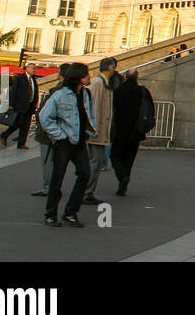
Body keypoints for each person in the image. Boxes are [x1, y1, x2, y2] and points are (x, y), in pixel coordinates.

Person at [38, 62, 95, 228]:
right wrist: (59, 135)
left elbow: (88, 114)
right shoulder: (61, 94)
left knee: (85, 174)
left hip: (79, 141)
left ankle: (71, 212)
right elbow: (44, 116)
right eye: (86, 74)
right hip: (64, 142)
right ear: (78, 77)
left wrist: (89, 130)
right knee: (57, 178)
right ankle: (50, 214)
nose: (89, 77)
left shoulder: (85, 94)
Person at [31, 63, 71, 199]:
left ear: (60, 75)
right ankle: (53, 186)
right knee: (57, 162)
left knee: (48, 161)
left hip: (50, 132)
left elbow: (44, 112)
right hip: (63, 132)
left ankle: (48, 187)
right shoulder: (72, 91)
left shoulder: (57, 91)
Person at [83, 57, 119, 205]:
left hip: (99, 129)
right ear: (110, 68)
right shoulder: (98, 83)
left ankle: (88, 191)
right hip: (97, 130)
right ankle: (86, 192)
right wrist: (94, 127)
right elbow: (92, 106)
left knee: (96, 162)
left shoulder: (102, 83)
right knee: (95, 161)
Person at [110, 69, 147, 195]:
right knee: (129, 159)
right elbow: (149, 110)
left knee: (115, 155)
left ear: (125, 77)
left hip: (120, 129)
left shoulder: (118, 91)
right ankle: (124, 182)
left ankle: (122, 175)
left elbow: (113, 110)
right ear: (137, 78)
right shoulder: (142, 91)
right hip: (136, 130)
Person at [1, 63, 39, 148]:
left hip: (30, 105)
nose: (34, 70)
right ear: (27, 68)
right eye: (32, 68)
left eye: (35, 69)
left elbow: (35, 92)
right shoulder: (20, 78)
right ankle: (5, 134)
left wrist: (36, 102)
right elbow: (14, 91)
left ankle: (21, 143)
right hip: (20, 105)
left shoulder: (33, 79)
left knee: (26, 126)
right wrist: (11, 104)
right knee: (18, 123)